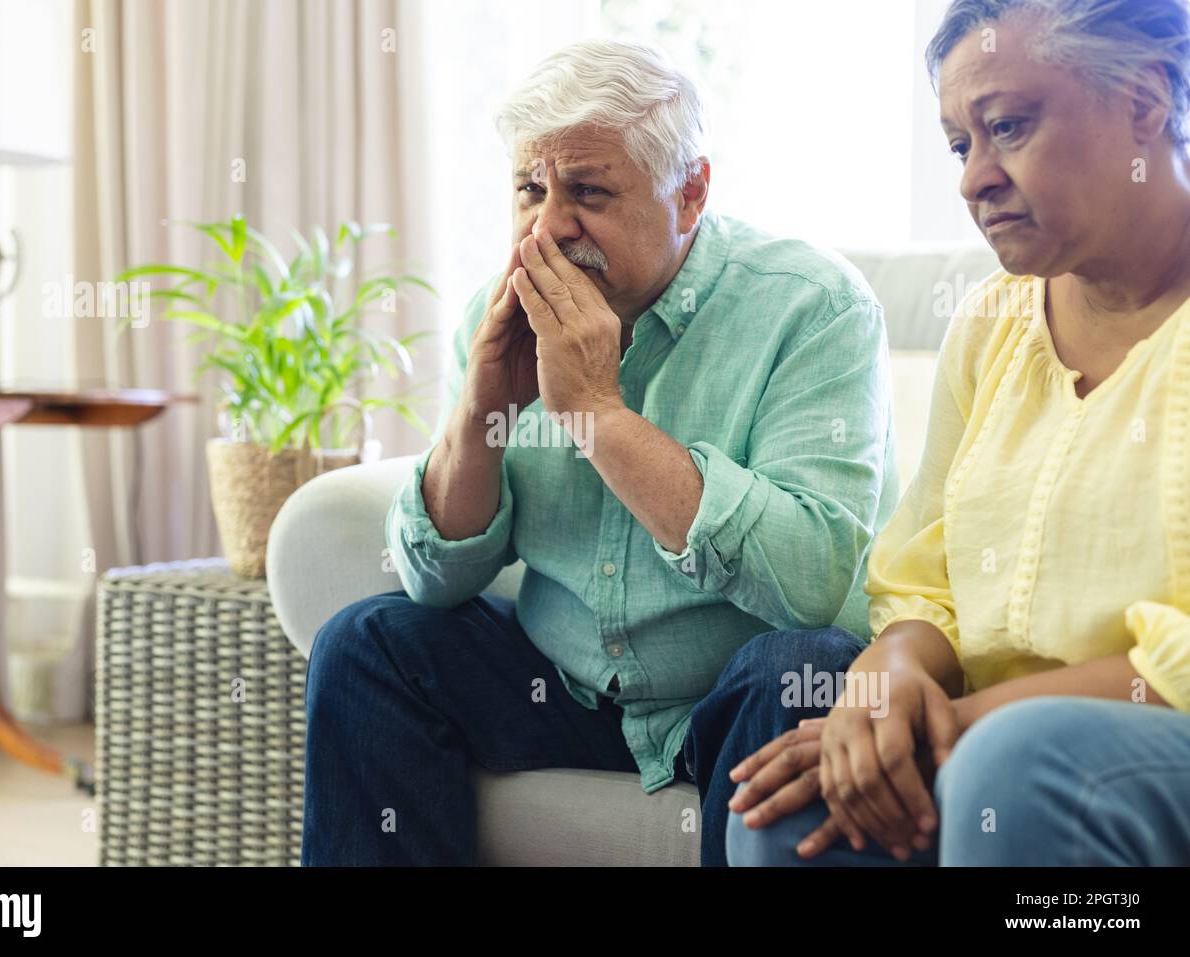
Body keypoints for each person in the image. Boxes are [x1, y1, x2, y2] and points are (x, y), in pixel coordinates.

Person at [301, 38, 898, 866]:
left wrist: (596, 414)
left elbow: (812, 580)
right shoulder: (495, 311)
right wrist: (478, 411)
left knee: (808, 666)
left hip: (738, 692)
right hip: (565, 684)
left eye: (587, 192)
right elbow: (437, 581)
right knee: (370, 643)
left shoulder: (815, 308)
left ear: (689, 193)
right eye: (529, 189)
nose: (548, 227)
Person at [728, 0, 1190, 867]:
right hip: (990, 750)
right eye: (958, 144)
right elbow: (926, 576)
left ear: (1144, 99)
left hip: (1100, 749)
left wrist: (965, 722)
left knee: (1015, 770)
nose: (974, 178)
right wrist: (895, 670)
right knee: (792, 814)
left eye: (1007, 127)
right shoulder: (989, 325)